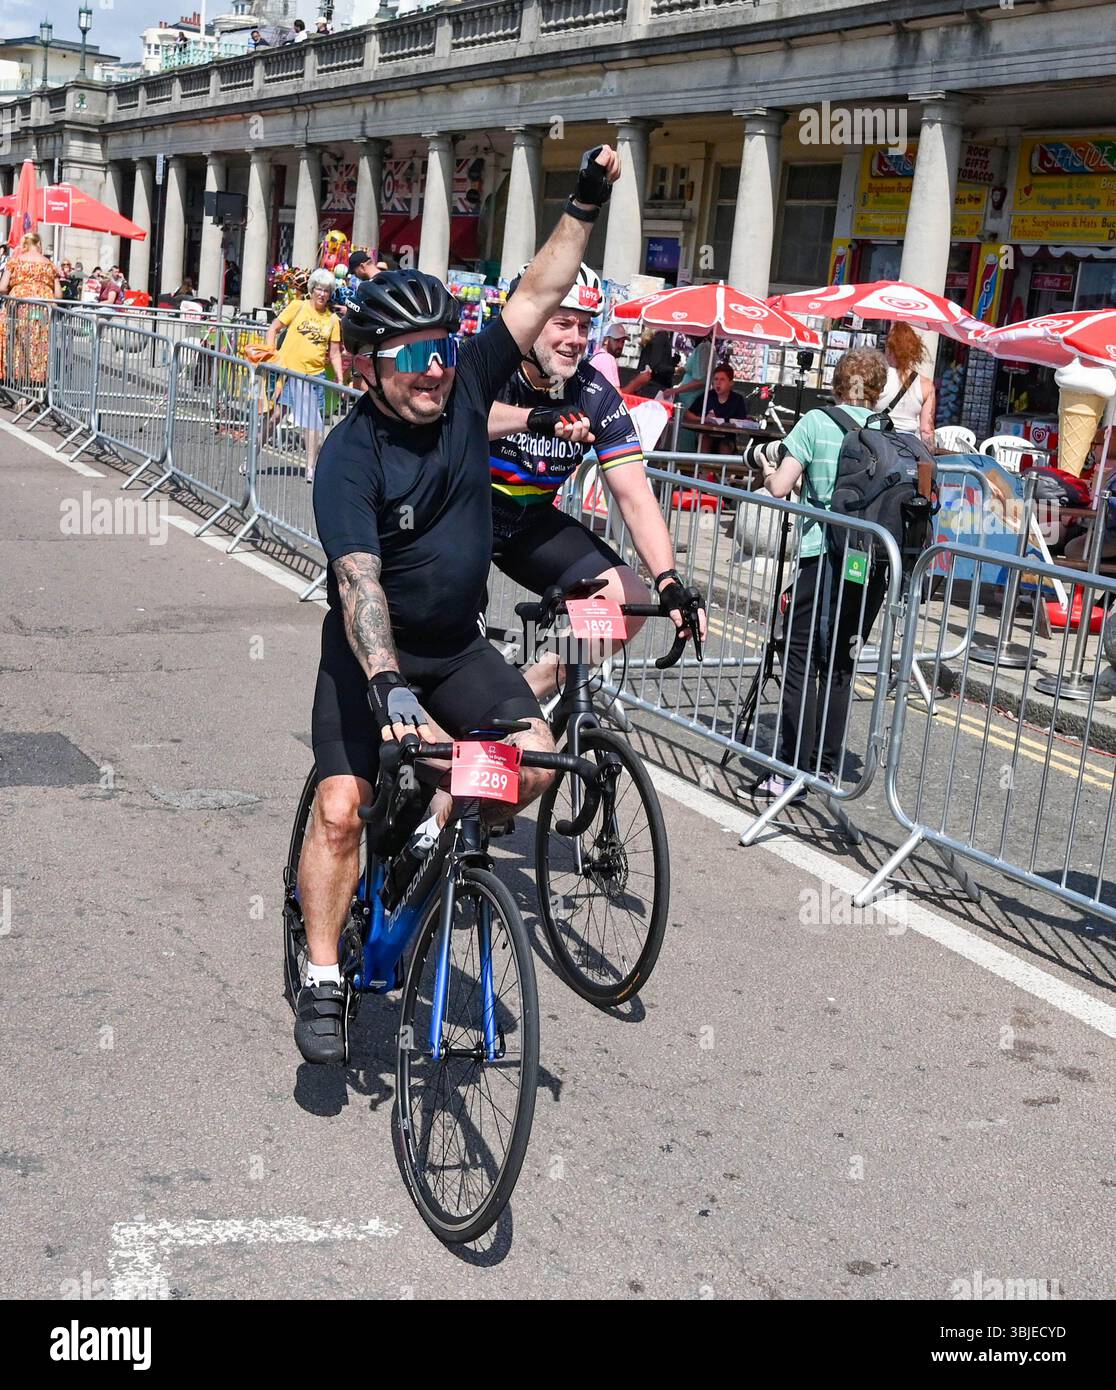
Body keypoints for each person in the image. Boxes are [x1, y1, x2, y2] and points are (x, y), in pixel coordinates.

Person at [295, 145, 621, 1064]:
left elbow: (539, 286)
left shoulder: (471, 386)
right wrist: (389, 686)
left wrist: (587, 199)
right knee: (342, 809)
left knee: (540, 762)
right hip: (373, 663)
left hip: (457, 648)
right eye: (412, 358)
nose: (436, 371)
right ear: (366, 366)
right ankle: (325, 975)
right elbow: (359, 586)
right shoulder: (351, 457)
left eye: (443, 349)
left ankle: (439, 833)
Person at [486, 261, 706, 704]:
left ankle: (528, 690)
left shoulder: (592, 393)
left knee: (627, 598)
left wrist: (668, 580)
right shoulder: (490, 366)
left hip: (529, 524)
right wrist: (534, 419)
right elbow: (459, 413)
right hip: (464, 516)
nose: (576, 339)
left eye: (585, 326)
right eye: (562, 323)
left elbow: (634, 493)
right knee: (452, 646)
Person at [757, 348, 892, 797]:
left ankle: (790, 767)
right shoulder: (883, 429)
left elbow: (779, 487)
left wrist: (769, 466)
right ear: (876, 389)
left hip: (820, 557)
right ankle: (827, 769)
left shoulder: (816, 422)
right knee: (841, 664)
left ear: (837, 382)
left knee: (800, 658)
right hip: (866, 562)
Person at [261, 267, 345, 482]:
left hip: (315, 376)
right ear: (312, 289)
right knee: (276, 417)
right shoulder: (297, 307)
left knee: (313, 423)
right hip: (289, 373)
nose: (322, 294)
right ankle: (252, 454)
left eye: (326, 291)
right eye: (318, 289)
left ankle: (310, 469)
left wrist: (340, 378)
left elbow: (334, 352)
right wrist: (271, 354)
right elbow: (273, 328)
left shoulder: (332, 320)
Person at [0, 232, 61, 383]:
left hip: (19, 304)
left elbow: (2, 287)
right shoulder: (49, 264)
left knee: (19, 341)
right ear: (39, 244)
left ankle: (20, 380)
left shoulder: (15, 261)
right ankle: (38, 379)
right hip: (44, 306)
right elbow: (59, 294)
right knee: (40, 340)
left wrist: (14, 291)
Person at [881, 321, 935, 444]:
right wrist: (930, 456)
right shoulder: (925, 385)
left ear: (889, 348)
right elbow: (926, 430)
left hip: (877, 442)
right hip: (907, 447)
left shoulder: (876, 376)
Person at [683, 362, 751, 455]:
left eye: (722, 379)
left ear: (731, 383)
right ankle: (703, 469)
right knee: (704, 440)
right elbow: (688, 414)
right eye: (716, 379)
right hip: (706, 434)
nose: (718, 383)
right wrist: (703, 419)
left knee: (725, 446)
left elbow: (742, 421)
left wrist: (729, 424)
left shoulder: (737, 399)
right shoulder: (707, 395)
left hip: (727, 437)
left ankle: (721, 469)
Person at [628, 327, 679, 399]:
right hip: (656, 388)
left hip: (645, 387)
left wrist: (673, 362)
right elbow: (656, 365)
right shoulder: (662, 336)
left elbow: (654, 361)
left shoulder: (654, 337)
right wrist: (675, 369)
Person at [587, 320, 627, 389]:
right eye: (616, 340)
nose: (620, 345)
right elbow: (615, 395)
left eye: (623, 341)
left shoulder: (597, 356)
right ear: (606, 340)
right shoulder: (607, 359)